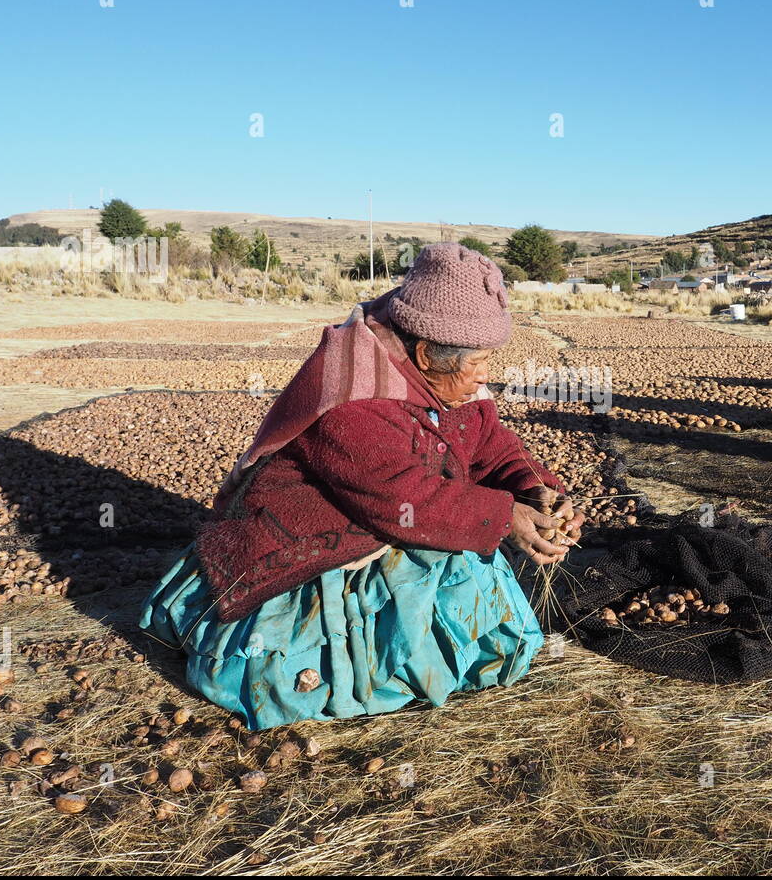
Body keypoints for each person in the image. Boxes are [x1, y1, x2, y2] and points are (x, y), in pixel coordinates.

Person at [139, 243, 584, 730]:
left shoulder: (442, 366)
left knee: (462, 535)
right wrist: (505, 518)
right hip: (305, 542)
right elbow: (405, 498)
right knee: (297, 675)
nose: (485, 376)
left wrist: (537, 489)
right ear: (424, 356)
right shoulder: (354, 395)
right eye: (476, 362)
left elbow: (491, 443)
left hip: (389, 514)